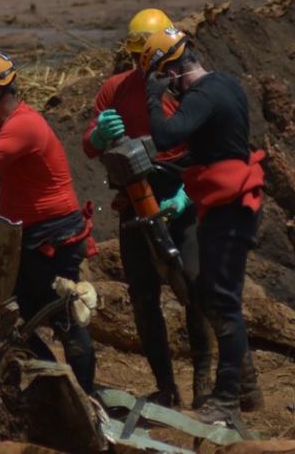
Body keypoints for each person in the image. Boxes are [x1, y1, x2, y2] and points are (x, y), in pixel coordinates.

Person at [82, 8, 261, 410]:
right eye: (132, 59)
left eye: (140, 58)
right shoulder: (115, 89)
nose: (136, 67)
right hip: (134, 198)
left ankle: (208, 377)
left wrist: (184, 194)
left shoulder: (181, 92)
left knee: (198, 289)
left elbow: (192, 144)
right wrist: (99, 134)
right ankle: (166, 386)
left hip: (180, 196)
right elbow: (89, 145)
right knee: (143, 297)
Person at [142, 28, 264, 425]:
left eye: (164, 78)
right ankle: (242, 393)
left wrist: (149, 95)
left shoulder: (202, 96)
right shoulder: (226, 84)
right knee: (219, 298)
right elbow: (217, 145)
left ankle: (228, 400)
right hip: (231, 201)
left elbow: (165, 135)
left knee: (223, 302)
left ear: (172, 72)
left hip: (230, 207)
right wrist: (176, 168)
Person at [0, 50, 97, 392]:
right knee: (23, 316)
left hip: (54, 236)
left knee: (65, 318)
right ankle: (59, 385)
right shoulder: (3, 126)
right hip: (31, 235)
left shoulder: (22, 126)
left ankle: (85, 394)